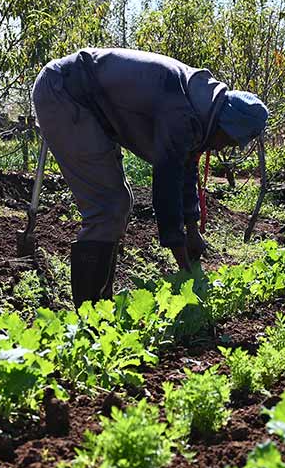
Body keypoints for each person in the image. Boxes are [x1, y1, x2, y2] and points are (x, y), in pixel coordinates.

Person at [31, 48, 269, 306]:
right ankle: (89, 317)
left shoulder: (204, 106)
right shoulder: (182, 112)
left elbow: (186, 164)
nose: (224, 148)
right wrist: (183, 260)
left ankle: (99, 309)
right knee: (108, 207)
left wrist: (192, 228)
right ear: (226, 127)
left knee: (118, 204)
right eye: (231, 142)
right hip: (65, 93)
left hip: (89, 104)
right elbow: (167, 183)